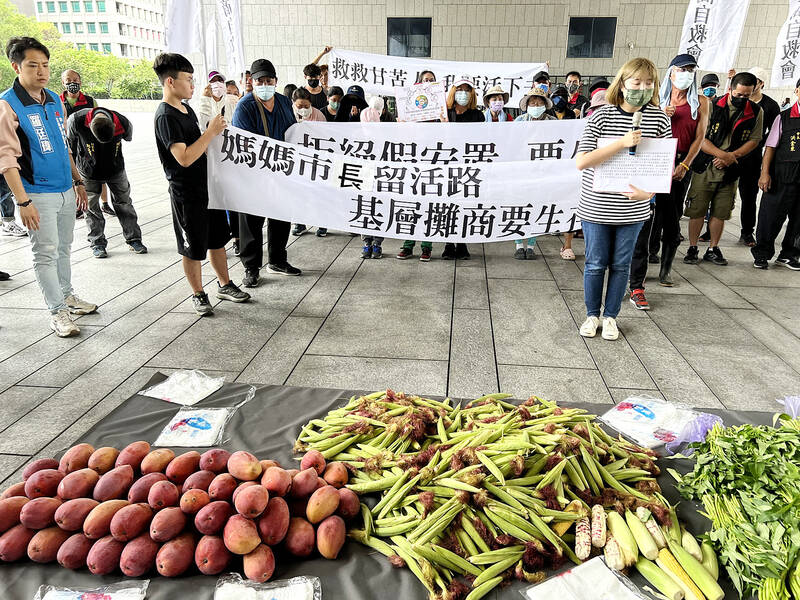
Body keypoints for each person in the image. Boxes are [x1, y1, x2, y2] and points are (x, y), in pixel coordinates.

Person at [0, 37, 98, 336]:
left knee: (65, 248)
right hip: (36, 194)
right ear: (16, 66)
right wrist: (23, 202)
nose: (41, 71)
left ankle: (67, 296)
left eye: (45, 65)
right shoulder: (8, 104)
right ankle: (57, 312)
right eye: (33, 65)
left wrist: (78, 180)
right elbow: (6, 157)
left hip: (65, 188)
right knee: (45, 253)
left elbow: (64, 144)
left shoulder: (55, 99)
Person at [574, 57, 671, 340]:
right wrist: (621, 143)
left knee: (621, 265)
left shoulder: (659, 119)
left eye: (649, 83)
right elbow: (582, 161)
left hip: (634, 209)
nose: (642, 87)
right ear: (623, 83)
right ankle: (592, 315)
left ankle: (612, 317)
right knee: (595, 263)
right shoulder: (601, 116)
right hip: (597, 207)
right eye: (636, 82)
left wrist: (648, 193)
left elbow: (662, 166)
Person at [152, 52, 250, 314]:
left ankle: (225, 283)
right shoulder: (166, 116)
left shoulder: (186, 109)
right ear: (170, 82)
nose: (193, 85)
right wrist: (210, 133)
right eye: (188, 79)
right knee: (193, 245)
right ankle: (198, 293)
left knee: (217, 239)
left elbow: (202, 147)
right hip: (187, 193)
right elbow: (183, 157)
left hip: (208, 187)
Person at [629, 54, 709, 310]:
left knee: (672, 216)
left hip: (680, 162)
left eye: (690, 70)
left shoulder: (702, 102)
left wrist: (685, 164)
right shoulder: (657, 100)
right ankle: (642, 266)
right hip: (653, 161)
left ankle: (666, 267)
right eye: (681, 69)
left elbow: (700, 137)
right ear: (671, 73)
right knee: (644, 217)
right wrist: (662, 113)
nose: (685, 74)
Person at [233, 58, 301, 287]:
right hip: (254, 175)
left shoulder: (283, 102)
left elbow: (292, 132)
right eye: (259, 80)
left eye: (268, 80)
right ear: (251, 82)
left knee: (281, 217)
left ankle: (278, 260)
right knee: (251, 221)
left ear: (276, 81)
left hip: (282, 172)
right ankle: (251, 267)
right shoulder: (245, 106)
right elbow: (244, 142)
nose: (264, 84)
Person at [683, 72, 763, 267]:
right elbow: (700, 137)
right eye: (738, 95)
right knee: (697, 209)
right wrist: (721, 155)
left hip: (731, 169)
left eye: (747, 95)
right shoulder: (712, 105)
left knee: (721, 211)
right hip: (705, 166)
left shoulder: (755, 111)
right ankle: (693, 247)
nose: (742, 99)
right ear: (730, 89)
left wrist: (731, 157)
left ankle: (713, 248)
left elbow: (755, 139)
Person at [66, 106, 147, 258]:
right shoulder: (76, 120)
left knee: (124, 204)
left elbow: (129, 137)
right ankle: (97, 243)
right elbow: (69, 145)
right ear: (90, 127)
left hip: (115, 169)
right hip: (88, 170)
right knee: (90, 207)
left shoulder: (122, 121)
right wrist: (76, 179)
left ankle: (134, 239)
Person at [752, 78, 800, 270]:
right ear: (797, 91)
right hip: (782, 176)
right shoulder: (784, 117)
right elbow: (770, 147)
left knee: (798, 221)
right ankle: (762, 253)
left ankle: (789, 254)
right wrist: (765, 174)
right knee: (769, 217)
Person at [731, 67, 781, 247]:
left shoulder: (770, 105)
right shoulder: (734, 100)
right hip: (729, 154)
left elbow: (775, 133)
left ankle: (747, 232)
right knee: (721, 193)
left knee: (749, 196)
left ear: (760, 84)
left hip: (752, 157)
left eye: (756, 80)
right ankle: (709, 229)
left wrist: (759, 143)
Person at [396, 70, 441, 262]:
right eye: (425, 80)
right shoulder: (409, 110)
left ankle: (426, 246)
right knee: (410, 206)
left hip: (432, 165)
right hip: (412, 164)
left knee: (428, 207)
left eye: (431, 80)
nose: (428, 83)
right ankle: (407, 245)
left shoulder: (440, 112)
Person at [60, 69, 114, 219]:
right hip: (70, 143)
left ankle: (105, 203)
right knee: (74, 174)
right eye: (68, 80)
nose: (72, 83)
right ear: (63, 83)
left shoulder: (90, 101)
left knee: (99, 173)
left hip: (89, 143)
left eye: (75, 79)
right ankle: (79, 206)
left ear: (80, 81)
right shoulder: (58, 101)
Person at [443, 75, 482, 261]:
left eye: (467, 90)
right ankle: (449, 244)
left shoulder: (477, 115)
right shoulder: (444, 112)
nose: (463, 93)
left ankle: (462, 243)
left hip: (468, 167)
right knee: (448, 205)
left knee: (464, 205)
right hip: (447, 167)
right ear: (453, 91)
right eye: (460, 89)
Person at [513, 88, 554, 259]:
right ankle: (518, 244)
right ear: (527, 104)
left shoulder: (553, 123)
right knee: (518, 207)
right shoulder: (519, 121)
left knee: (536, 207)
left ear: (545, 104)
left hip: (543, 171)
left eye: (539, 102)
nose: (535, 105)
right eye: (532, 102)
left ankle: (531, 245)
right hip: (522, 171)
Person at [291, 87, 327, 238]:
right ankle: (300, 223)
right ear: (293, 104)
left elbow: (326, 136)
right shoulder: (289, 114)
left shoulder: (318, 115)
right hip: (295, 160)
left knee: (319, 193)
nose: (303, 110)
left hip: (316, 160)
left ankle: (323, 223)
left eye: (306, 106)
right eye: (300, 107)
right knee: (297, 193)